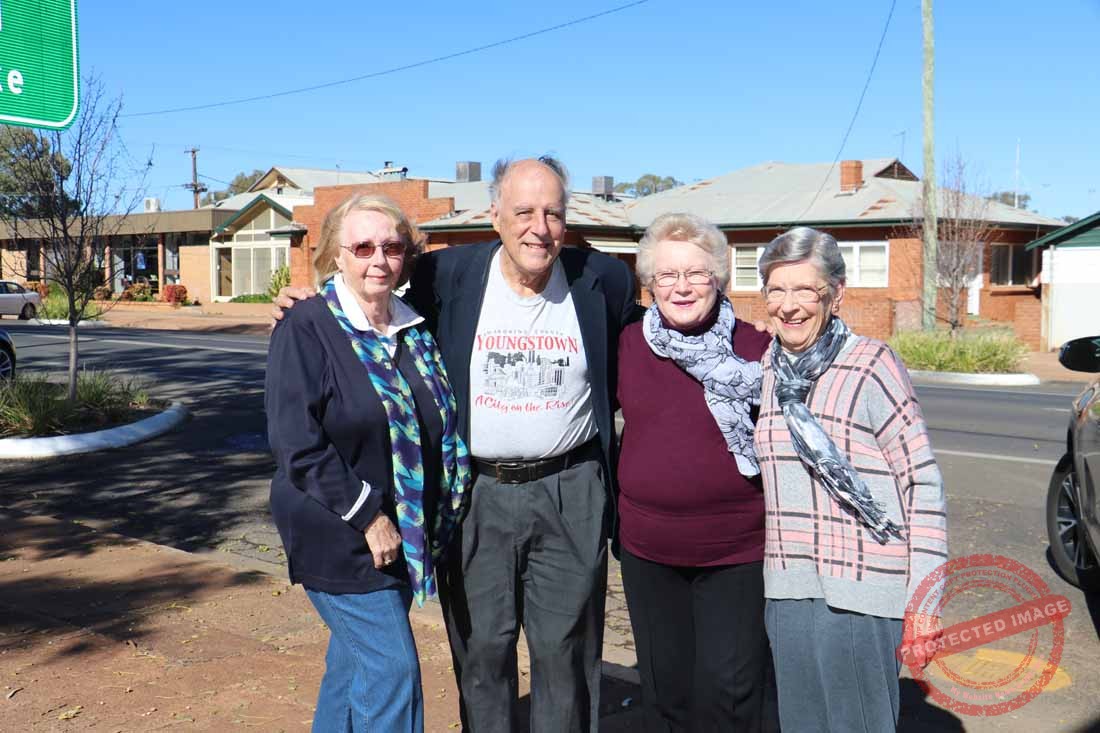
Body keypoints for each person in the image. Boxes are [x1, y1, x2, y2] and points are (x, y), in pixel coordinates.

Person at [274, 157, 639, 732]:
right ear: (494, 216)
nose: (537, 227)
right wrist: (309, 304)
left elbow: (653, 335)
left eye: (552, 213)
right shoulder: (448, 278)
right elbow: (364, 285)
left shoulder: (604, 280)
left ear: (567, 222)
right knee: (481, 653)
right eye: (523, 211)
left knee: (565, 654)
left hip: (572, 489)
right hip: (476, 496)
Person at [266, 193, 471, 732]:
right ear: (336, 254)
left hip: (404, 533)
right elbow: (297, 444)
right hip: (341, 534)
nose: (378, 259)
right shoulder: (307, 325)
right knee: (392, 669)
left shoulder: (414, 329)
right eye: (362, 246)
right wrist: (368, 516)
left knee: (352, 665)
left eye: (391, 246)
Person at [753, 226, 948, 732]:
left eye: (805, 290)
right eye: (776, 289)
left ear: (835, 294)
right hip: (789, 591)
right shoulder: (768, 370)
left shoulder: (871, 364)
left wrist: (924, 602)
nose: (789, 305)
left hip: (865, 591)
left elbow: (922, 484)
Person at [616, 212, 777, 731]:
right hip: (649, 553)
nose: (681, 287)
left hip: (737, 553)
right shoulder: (627, 346)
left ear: (719, 278)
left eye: (695, 273)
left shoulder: (759, 349)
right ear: (649, 283)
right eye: (667, 275)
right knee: (667, 694)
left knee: (730, 696)